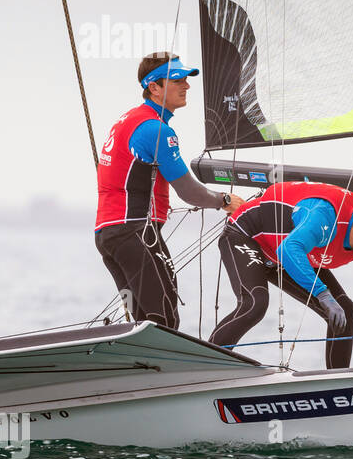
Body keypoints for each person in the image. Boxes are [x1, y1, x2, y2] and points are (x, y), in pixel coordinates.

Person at [95, 52, 245, 328]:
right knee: (164, 317)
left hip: (110, 235)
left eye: (186, 79)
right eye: (177, 79)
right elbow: (188, 191)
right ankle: (157, 368)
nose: (186, 85)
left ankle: (136, 367)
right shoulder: (156, 129)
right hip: (133, 232)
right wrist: (224, 200)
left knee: (144, 321)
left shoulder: (129, 119)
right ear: (154, 87)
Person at [210, 181, 353, 368]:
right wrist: (322, 294)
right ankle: (206, 364)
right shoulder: (325, 218)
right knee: (255, 304)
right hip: (246, 236)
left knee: (345, 310)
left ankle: (336, 384)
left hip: (290, 252)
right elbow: (288, 249)